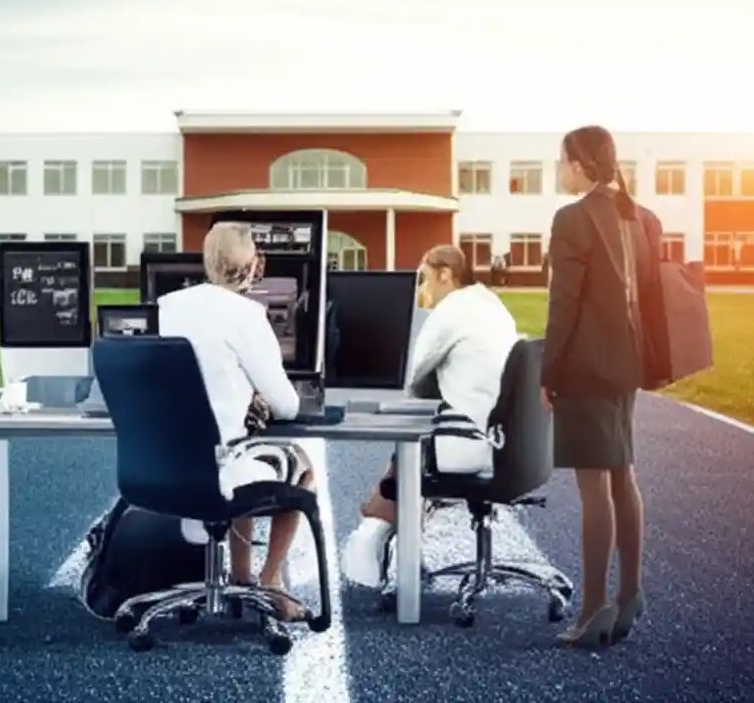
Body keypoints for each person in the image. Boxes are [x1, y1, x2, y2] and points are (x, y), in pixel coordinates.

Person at [157, 222, 314, 621]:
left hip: (166, 466)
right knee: (299, 466)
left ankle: (241, 576)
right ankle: (270, 581)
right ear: (252, 264)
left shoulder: (169, 306)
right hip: (221, 463)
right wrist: (259, 396)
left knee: (247, 454)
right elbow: (287, 406)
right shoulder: (247, 314)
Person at [543, 125, 661, 648]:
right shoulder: (643, 217)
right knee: (621, 475)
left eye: (560, 160)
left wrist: (549, 372)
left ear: (580, 163)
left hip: (588, 367)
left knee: (595, 484)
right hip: (628, 365)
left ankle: (593, 609)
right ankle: (630, 593)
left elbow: (564, 304)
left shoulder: (572, 218)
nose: (557, 169)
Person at [342, 244, 520, 587]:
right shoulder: (491, 304)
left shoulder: (450, 313)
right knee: (419, 438)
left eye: (424, 279)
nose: (422, 290)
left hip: (470, 443)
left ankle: (377, 522)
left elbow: (407, 376)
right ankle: (385, 521)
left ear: (445, 275)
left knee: (410, 444)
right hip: (507, 442)